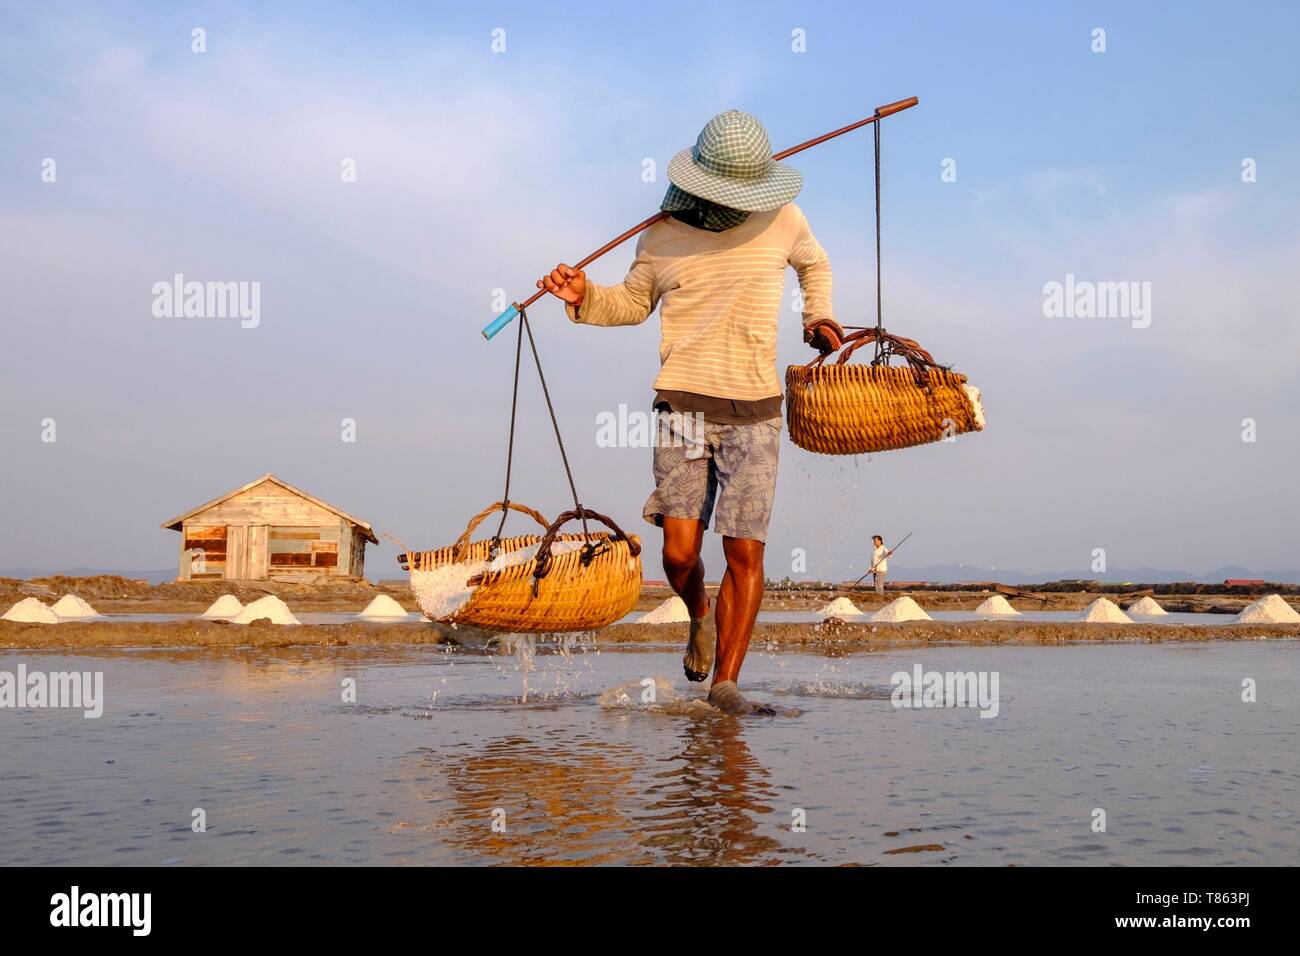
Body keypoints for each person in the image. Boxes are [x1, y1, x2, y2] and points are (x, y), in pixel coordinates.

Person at [538, 110, 842, 715]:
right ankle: (699, 614)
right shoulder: (662, 234)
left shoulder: (784, 218)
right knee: (678, 552)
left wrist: (817, 315)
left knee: (744, 551)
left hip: (755, 409)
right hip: (682, 406)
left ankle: (727, 682)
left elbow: (815, 263)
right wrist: (583, 296)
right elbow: (630, 303)